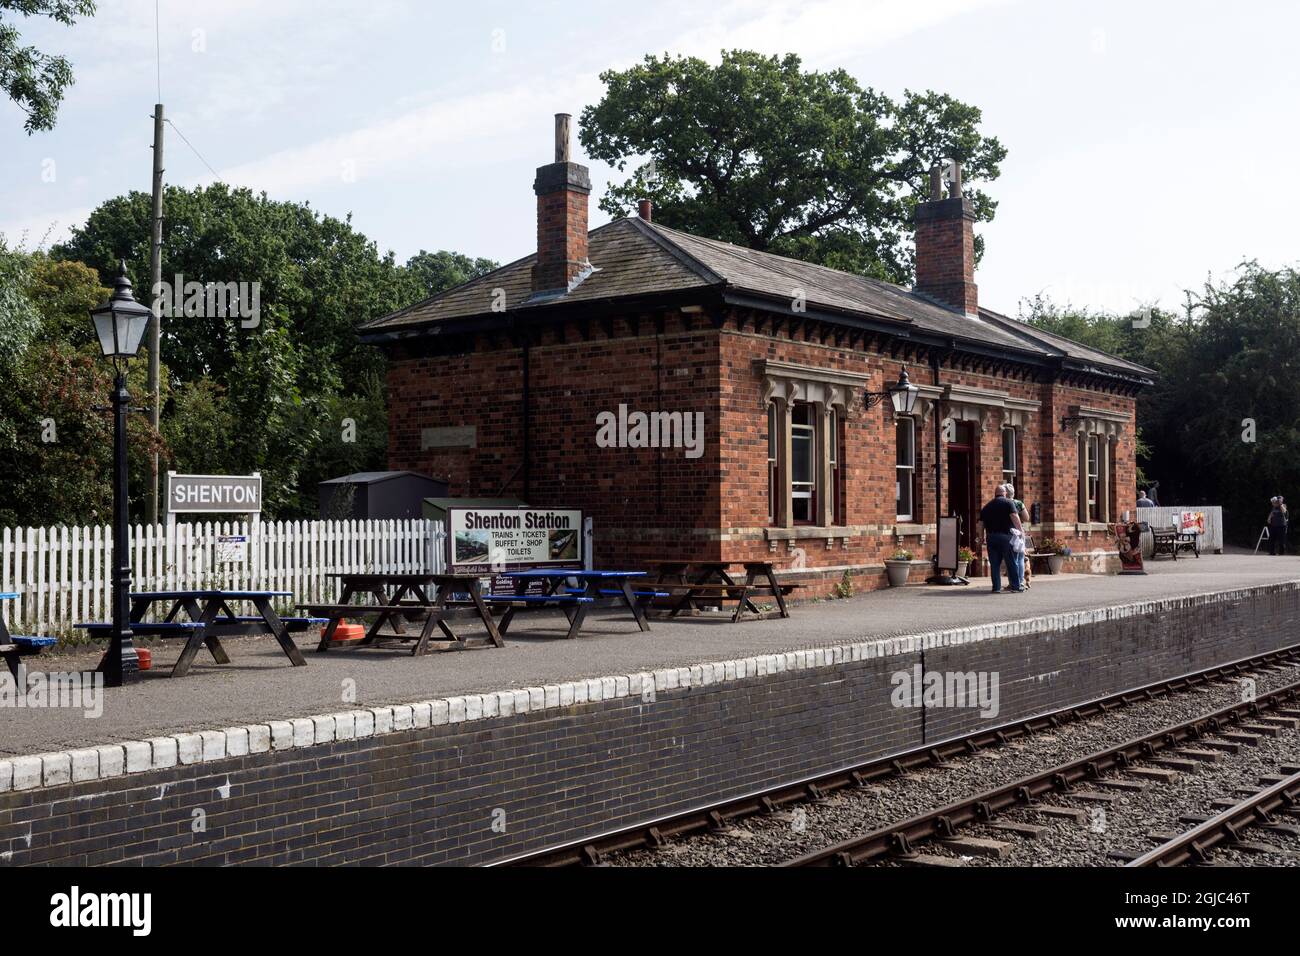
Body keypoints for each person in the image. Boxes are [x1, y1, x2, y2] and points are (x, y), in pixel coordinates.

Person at [978, 485, 1023, 593]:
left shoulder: (986, 507)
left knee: (994, 564)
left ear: (995, 494)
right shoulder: (1008, 503)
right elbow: (1014, 516)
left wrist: (981, 537)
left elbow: (980, 524)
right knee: (1011, 562)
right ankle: (1015, 587)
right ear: (1005, 493)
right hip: (1006, 537)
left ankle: (996, 587)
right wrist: (1021, 530)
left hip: (991, 537)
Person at [1004, 483, 1032, 589]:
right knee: (1020, 558)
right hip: (1019, 533)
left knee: (1010, 560)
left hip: (1008, 533)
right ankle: (1020, 582)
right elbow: (1026, 518)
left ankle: (1013, 583)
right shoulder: (1019, 503)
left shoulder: (1004, 503)